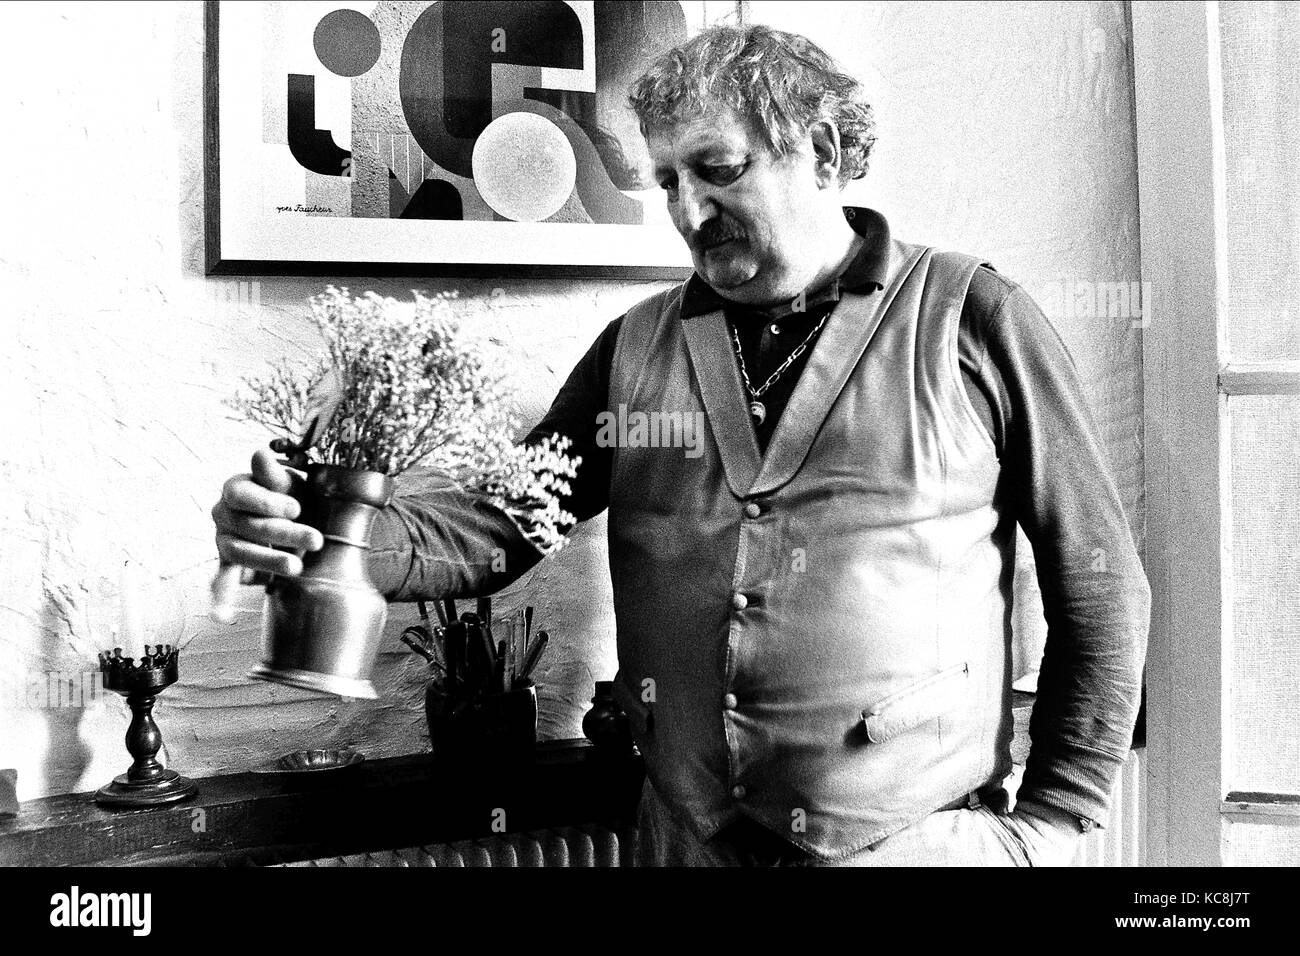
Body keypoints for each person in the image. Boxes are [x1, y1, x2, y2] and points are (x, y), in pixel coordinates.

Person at [211, 25, 1150, 866]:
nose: (690, 212)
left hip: (919, 844)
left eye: (719, 169)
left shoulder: (974, 316)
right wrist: (322, 534)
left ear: (822, 153)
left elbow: (1100, 580)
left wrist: (1054, 820)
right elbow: (503, 524)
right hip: (683, 839)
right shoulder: (634, 346)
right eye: (667, 181)